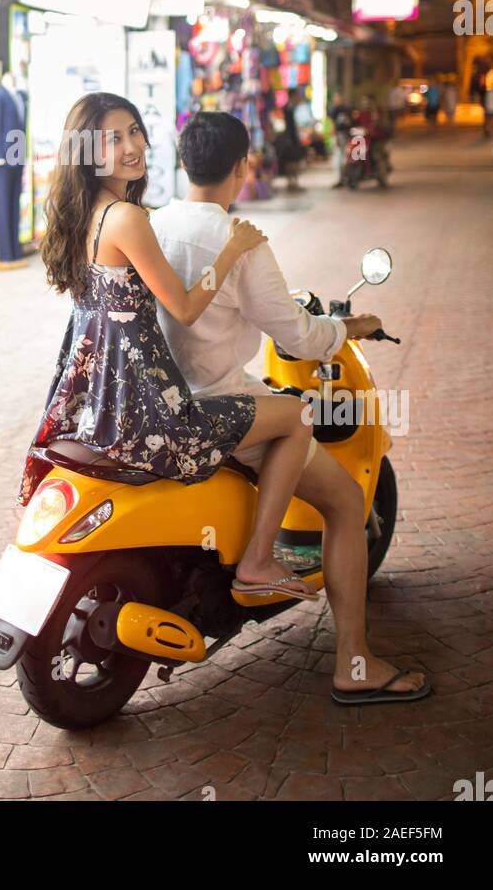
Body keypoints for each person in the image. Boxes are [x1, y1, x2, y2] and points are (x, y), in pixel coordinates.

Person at [150, 111, 430, 704]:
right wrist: (350, 325)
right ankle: (354, 661)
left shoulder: (152, 225)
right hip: (224, 403)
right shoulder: (241, 240)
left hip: (161, 403)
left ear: (182, 163)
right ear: (243, 165)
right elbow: (298, 336)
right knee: (347, 500)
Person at [18, 92, 325, 600]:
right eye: (113, 138)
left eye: (135, 131)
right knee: (295, 417)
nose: (132, 147)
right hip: (150, 412)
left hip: (93, 404)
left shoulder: (80, 217)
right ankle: (257, 562)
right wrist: (232, 249)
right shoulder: (127, 218)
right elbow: (184, 307)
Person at [328, 91, 353, 188]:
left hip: (344, 135)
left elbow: (350, 123)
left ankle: (345, 178)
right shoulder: (334, 110)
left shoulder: (345, 109)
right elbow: (333, 124)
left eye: (337, 97)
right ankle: (341, 178)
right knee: (339, 158)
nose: (336, 99)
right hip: (340, 135)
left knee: (344, 157)